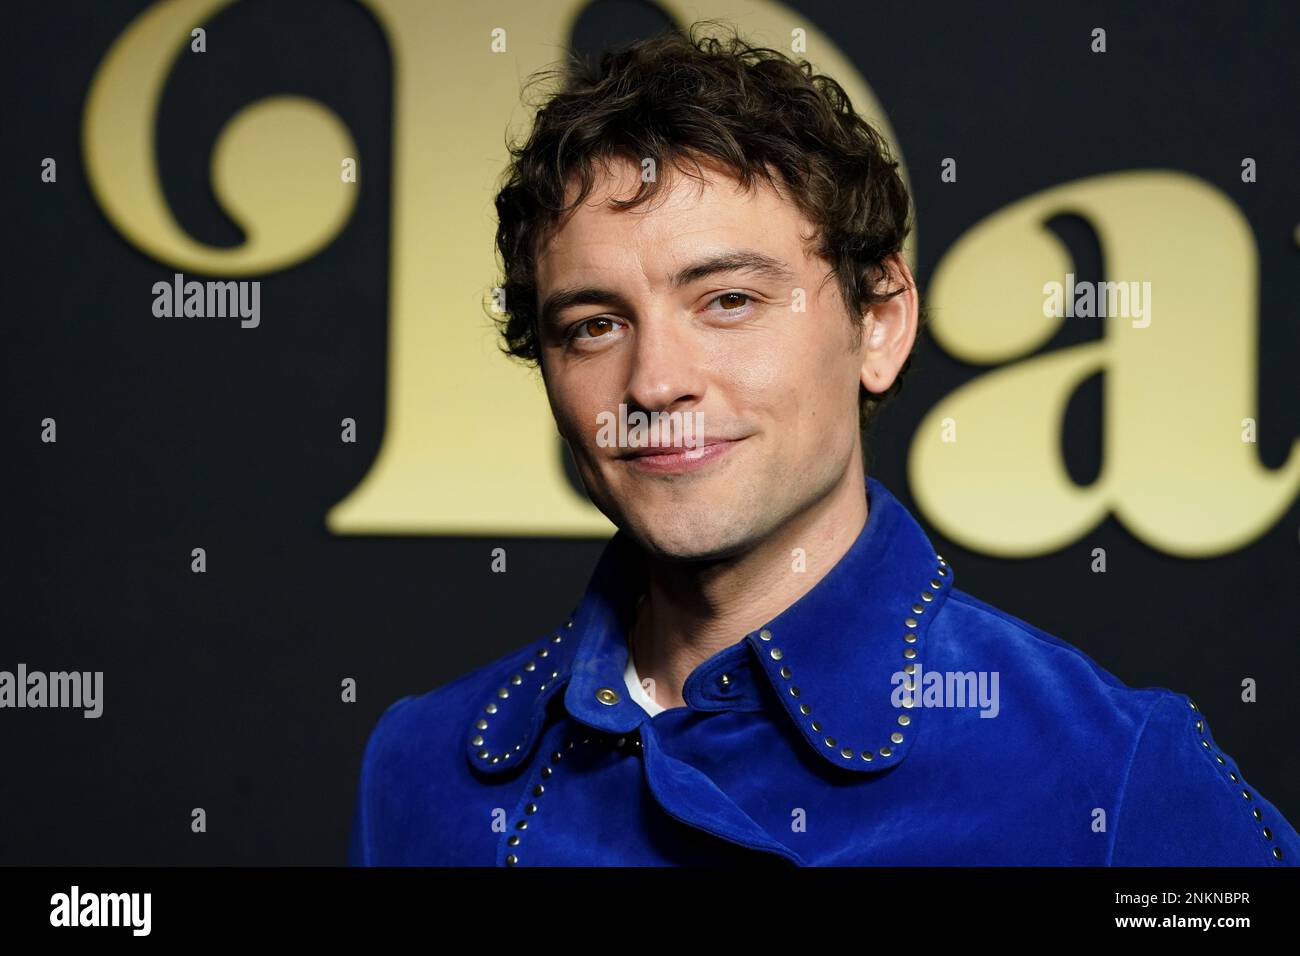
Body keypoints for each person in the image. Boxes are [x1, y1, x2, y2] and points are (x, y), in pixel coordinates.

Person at [347, 25, 1298, 866]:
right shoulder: (426, 768)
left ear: (879, 322)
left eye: (728, 301)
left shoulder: (1111, 770)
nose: (654, 383)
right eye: (594, 325)